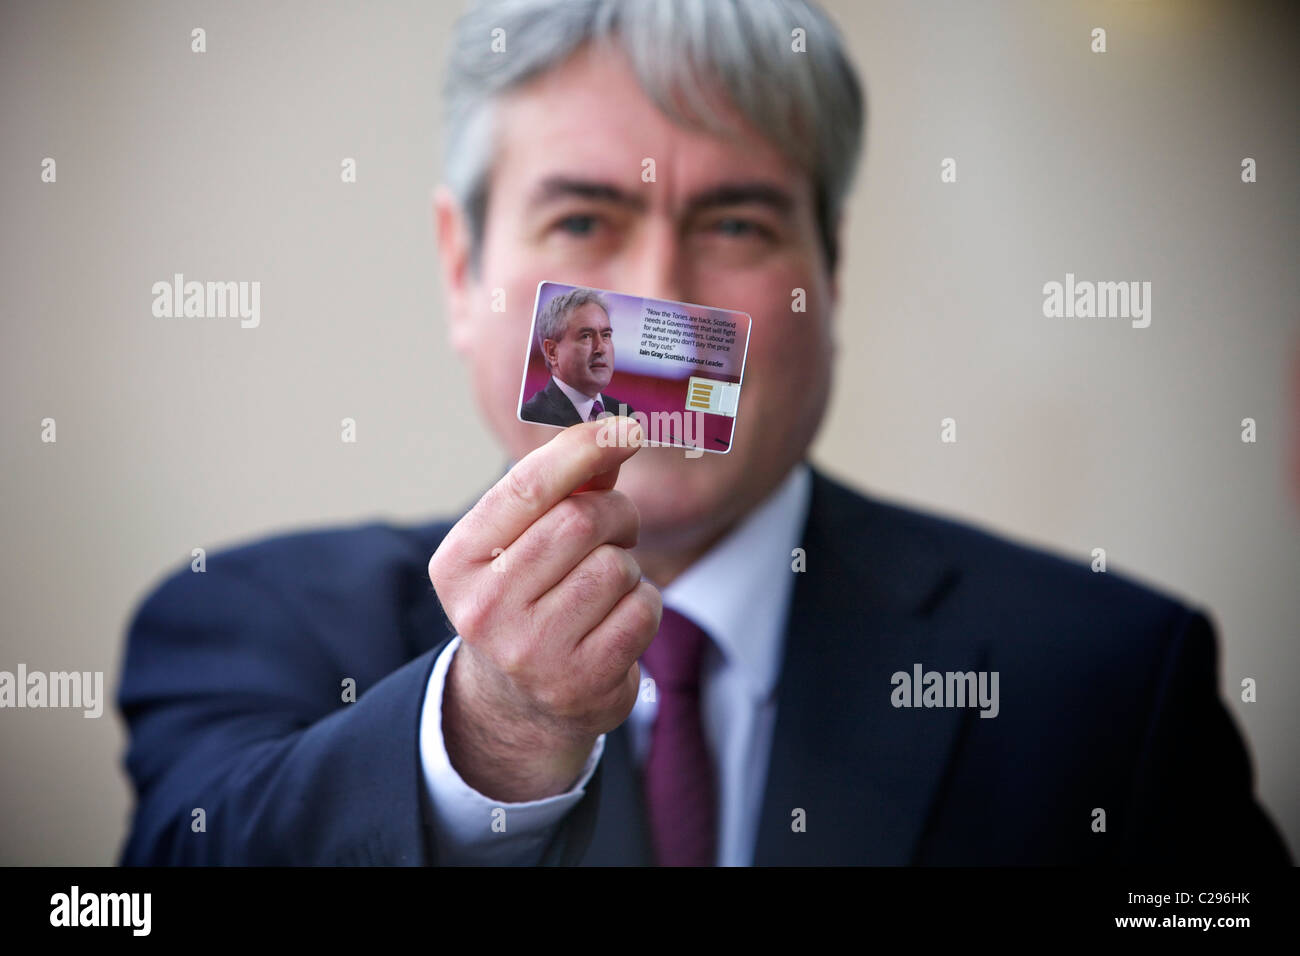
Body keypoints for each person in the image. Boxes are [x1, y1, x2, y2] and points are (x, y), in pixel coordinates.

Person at [116, 0, 1290, 866]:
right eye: (584, 217)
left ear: (827, 275)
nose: (659, 306)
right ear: (460, 265)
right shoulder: (243, 623)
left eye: (733, 221)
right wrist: (484, 732)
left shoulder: (1110, 681)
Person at [520, 288, 634, 426]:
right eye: (586, 336)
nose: (601, 348)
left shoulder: (625, 414)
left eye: (606, 335)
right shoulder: (534, 415)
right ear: (552, 351)